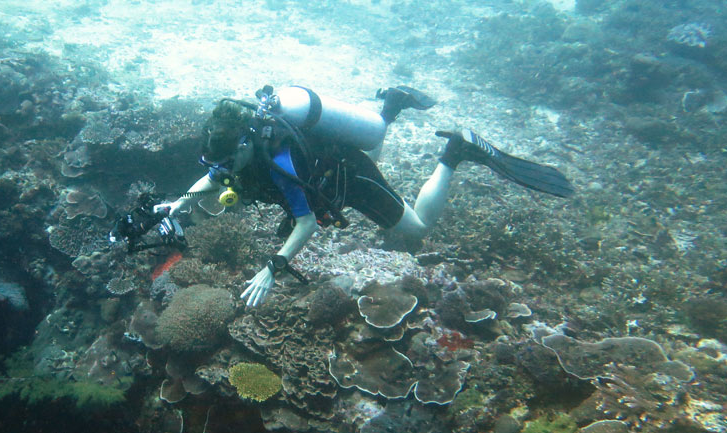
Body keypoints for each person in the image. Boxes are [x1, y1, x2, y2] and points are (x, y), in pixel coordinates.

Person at [154, 85, 574, 307]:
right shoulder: (240, 149)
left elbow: (304, 224)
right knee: (366, 143)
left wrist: (272, 268)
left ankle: (456, 152)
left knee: (416, 230)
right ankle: (390, 105)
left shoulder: (281, 163)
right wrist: (179, 202)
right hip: (331, 163)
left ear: (245, 145)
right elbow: (214, 176)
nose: (222, 170)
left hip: (349, 178)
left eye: (229, 162)